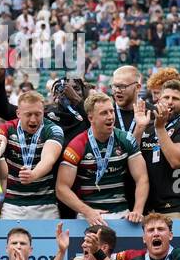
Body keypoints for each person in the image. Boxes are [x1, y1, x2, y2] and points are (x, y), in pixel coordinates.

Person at [56, 91, 148, 224]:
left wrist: (138, 210)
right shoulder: (77, 145)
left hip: (121, 214)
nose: (110, 117)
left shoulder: (126, 139)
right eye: (104, 113)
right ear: (91, 118)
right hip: (89, 216)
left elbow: (142, 178)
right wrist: (87, 211)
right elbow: (61, 188)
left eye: (111, 111)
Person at [0, 90, 63, 220]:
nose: (33, 119)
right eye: (28, 114)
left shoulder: (53, 129)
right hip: (13, 205)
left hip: (46, 205)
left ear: (43, 112)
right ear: (18, 113)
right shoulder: (6, 128)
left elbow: (49, 159)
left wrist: (33, 175)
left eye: (38, 114)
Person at [135, 78, 180, 219]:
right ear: (158, 100)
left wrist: (160, 128)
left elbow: (176, 161)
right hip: (147, 206)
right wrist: (139, 127)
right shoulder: (148, 126)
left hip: (175, 206)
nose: (170, 101)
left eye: (175, 98)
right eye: (166, 97)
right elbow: (131, 158)